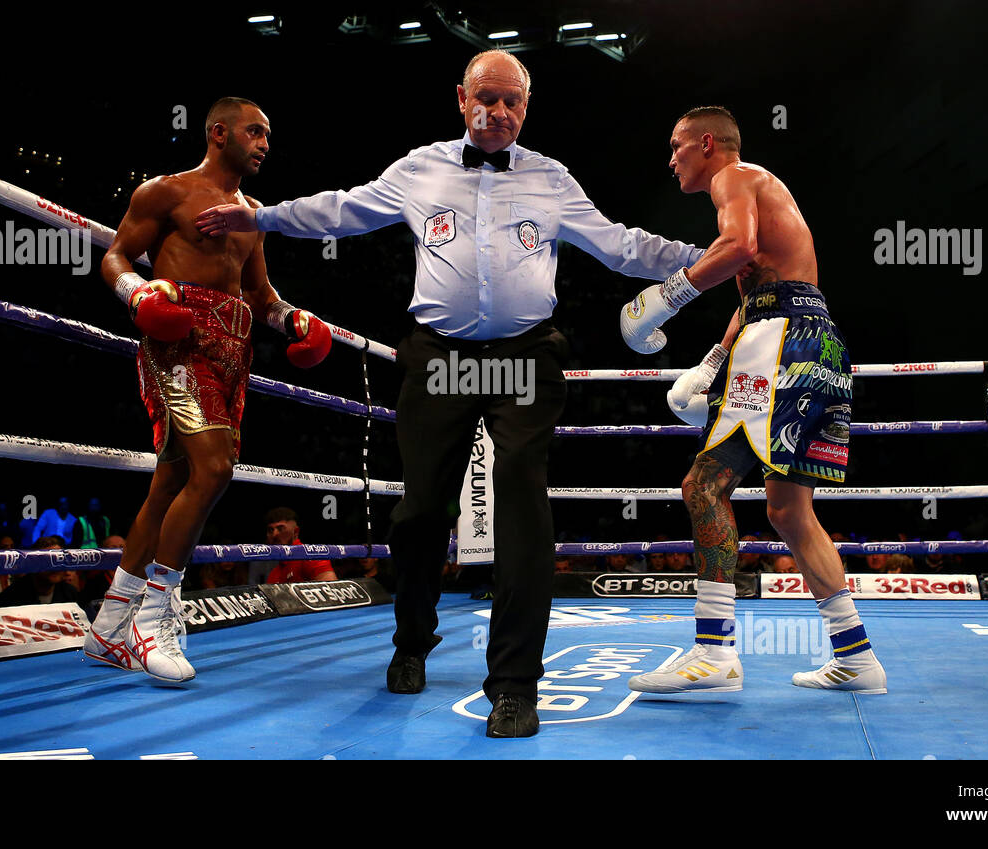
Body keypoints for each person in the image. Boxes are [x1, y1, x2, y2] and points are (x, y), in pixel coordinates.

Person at [196, 51, 701, 737]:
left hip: (525, 354)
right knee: (421, 512)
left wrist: (704, 254)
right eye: (484, 99)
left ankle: (516, 683)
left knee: (522, 491)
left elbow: (619, 246)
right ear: (461, 97)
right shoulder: (419, 167)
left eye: (511, 103)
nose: (497, 113)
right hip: (440, 356)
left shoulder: (550, 178)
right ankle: (412, 639)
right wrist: (259, 219)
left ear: (527, 106)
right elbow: (342, 211)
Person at [621, 106, 886, 696]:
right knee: (789, 511)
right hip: (814, 341)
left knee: (703, 485)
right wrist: (715, 361)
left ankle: (713, 652)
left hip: (780, 341)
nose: (671, 160)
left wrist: (665, 297)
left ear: (707, 143)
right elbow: (761, 287)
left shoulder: (735, 177)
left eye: (677, 147)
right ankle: (857, 658)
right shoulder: (763, 190)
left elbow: (738, 248)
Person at [80, 96, 332, 683]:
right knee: (215, 469)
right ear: (219, 133)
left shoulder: (252, 213)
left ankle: (107, 628)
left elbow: (262, 297)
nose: (265, 143)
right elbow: (116, 256)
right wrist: (139, 295)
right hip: (179, 341)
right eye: (255, 132)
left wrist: (295, 320)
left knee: (173, 478)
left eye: (269, 134)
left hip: (234, 351)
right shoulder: (165, 192)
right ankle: (154, 613)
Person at [259, 507, 336, 584]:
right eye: (270, 530)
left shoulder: (311, 555)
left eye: (280, 529)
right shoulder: (274, 574)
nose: (274, 535)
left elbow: (331, 590)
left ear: (295, 532)